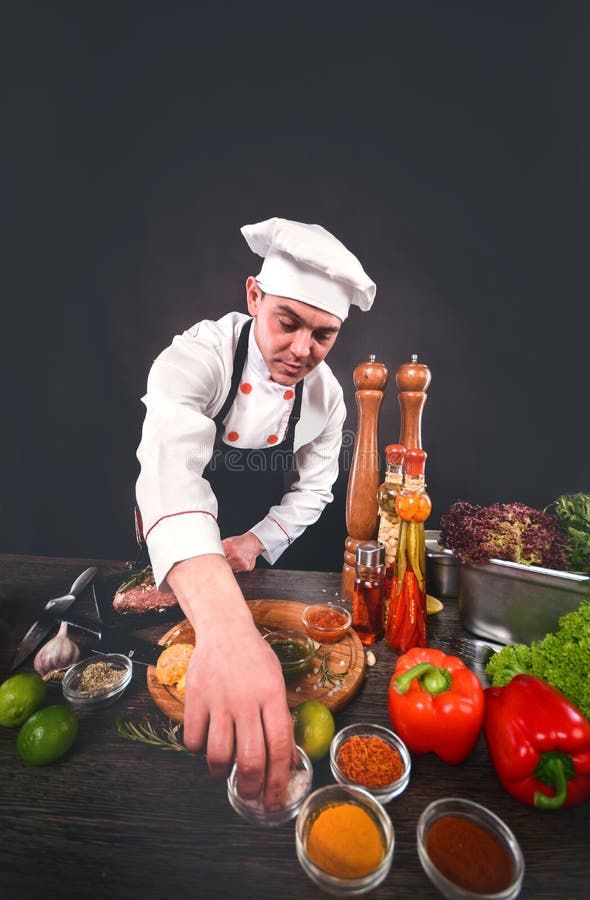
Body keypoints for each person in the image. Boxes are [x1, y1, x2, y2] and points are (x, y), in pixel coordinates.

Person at [136, 217, 375, 807]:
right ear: (253, 295)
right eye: (287, 322)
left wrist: (258, 541)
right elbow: (170, 469)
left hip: (254, 565)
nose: (301, 351)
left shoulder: (326, 400)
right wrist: (227, 631)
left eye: (323, 336)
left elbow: (316, 488)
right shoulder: (199, 357)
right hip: (183, 556)